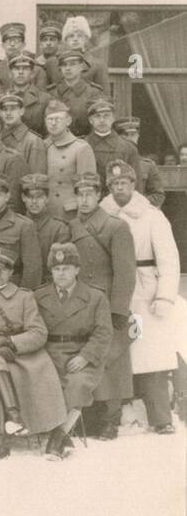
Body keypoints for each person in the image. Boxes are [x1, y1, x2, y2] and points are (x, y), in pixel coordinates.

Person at [0, 248, 67, 459]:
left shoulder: (25, 297)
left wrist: (10, 341)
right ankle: (10, 424)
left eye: (4, 269)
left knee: (6, 371)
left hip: (21, 354)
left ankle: (5, 433)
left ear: (11, 272)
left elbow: (38, 333)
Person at [100, 160, 180, 434]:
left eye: (124, 183)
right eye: (114, 184)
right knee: (120, 353)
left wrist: (165, 296)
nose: (119, 188)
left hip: (145, 289)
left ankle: (161, 417)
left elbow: (169, 258)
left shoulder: (151, 215)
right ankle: (120, 413)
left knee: (152, 354)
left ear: (134, 185)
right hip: (116, 291)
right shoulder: (102, 213)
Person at [70, 171, 136, 440]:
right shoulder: (71, 226)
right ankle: (89, 415)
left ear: (99, 195)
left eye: (89, 194)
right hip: (82, 305)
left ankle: (111, 418)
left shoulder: (116, 226)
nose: (84, 199)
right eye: (80, 194)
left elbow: (125, 272)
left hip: (107, 303)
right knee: (86, 358)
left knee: (112, 362)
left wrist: (119, 309)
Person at [36, 242, 114, 460]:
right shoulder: (39, 296)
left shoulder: (96, 297)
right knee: (39, 379)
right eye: (56, 269)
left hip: (81, 353)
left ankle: (57, 436)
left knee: (77, 384)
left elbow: (103, 333)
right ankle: (57, 433)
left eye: (66, 269)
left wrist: (85, 357)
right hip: (48, 353)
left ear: (77, 270)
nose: (61, 274)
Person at [0, 174, 42, 289]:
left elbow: (32, 267)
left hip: (13, 288)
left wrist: (23, 295)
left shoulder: (24, 225)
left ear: (7, 196)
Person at [112, 116, 166, 208]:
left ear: (138, 136)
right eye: (125, 135)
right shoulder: (110, 164)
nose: (129, 138)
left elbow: (158, 195)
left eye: (133, 134)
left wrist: (137, 202)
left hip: (140, 213)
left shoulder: (148, 166)